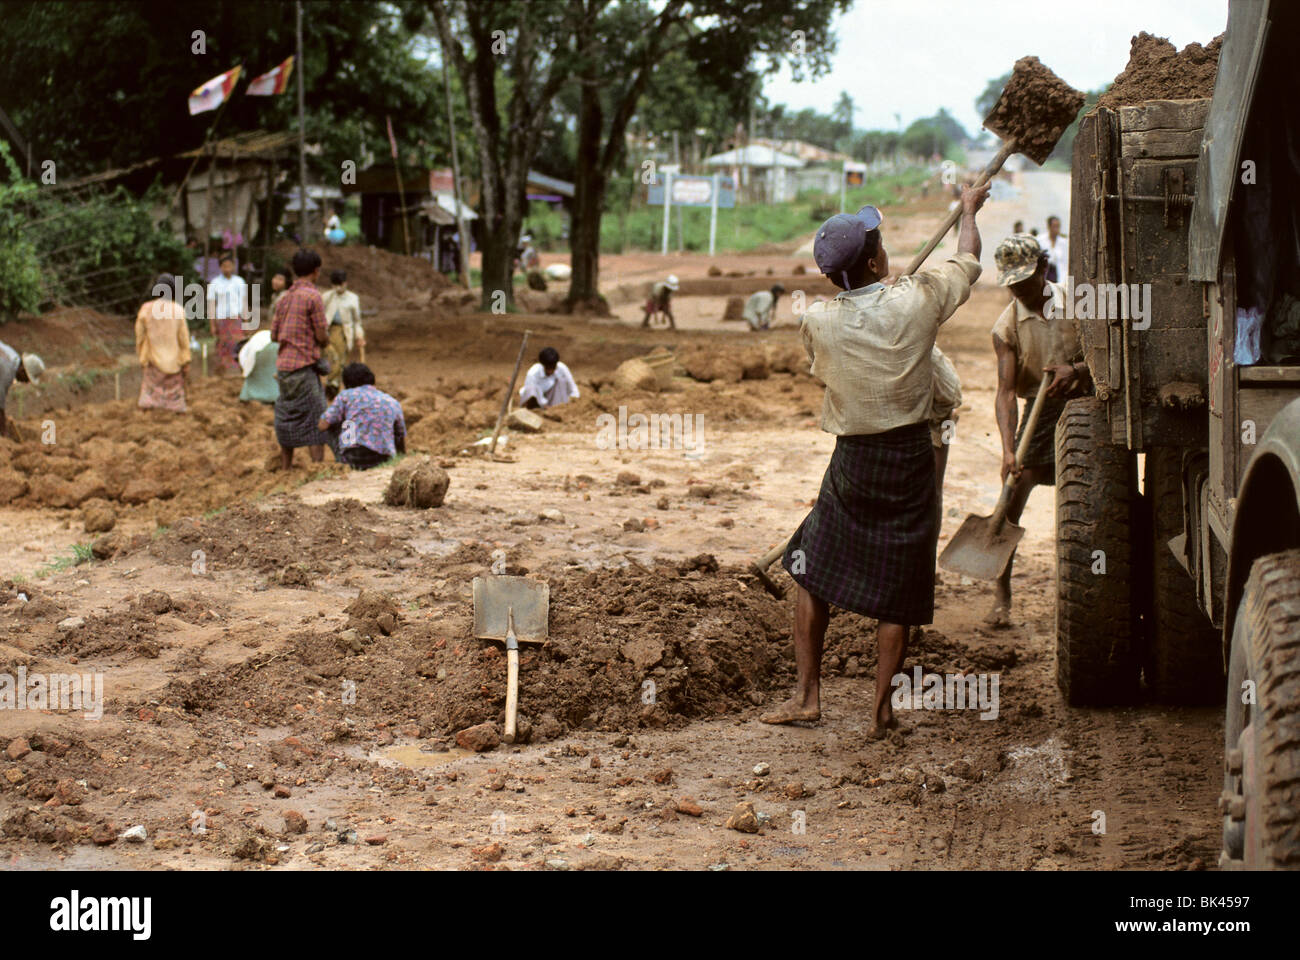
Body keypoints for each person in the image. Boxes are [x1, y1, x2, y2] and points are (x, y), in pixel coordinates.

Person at [761, 186, 989, 738]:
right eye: (879, 244)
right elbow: (970, 260)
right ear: (873, 261)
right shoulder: (919, 299)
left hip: (853, 462)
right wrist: (968, 212)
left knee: (810, 572)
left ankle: (807, 696)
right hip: (910, 459)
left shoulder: (817, 322)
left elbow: (824, 365)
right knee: (900, 590)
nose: (884, 248)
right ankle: (882, 711)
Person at [988, 234, 1091, 626]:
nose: (1019, 290)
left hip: (1087, 404)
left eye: (1025, 281)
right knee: (1010, 500)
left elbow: (1112, 353)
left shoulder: (1080, 301)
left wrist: (1077, 370)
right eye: (1011, 284)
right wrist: (1008, 451)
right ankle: (1002, 594)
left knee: (1093, 496)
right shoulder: (1006, 327)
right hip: (1040, 414)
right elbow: (1006, 393)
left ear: (1043, 270)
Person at [271, 248, 337, 469]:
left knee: (286, 416)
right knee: (316, 416)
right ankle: (317, 467)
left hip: (284, 369)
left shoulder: (284, 299)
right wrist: (325, 342)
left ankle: (285, 467)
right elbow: (321, 334)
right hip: (304, 367)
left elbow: (273, 335)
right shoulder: (313, 296)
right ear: (316, 272)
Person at [318, 362, 406, 470]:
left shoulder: (346, 395)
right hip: (383, 458)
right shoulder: (392, 401)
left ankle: (342, 461)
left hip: (353, 457)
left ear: (347, 383)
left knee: (331, 423)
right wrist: (401, 459)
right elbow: (400, 435)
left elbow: (322, 425)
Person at [135, 274, 192, 413]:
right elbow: (184, 339)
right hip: (174, 362)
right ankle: (174, 408)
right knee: (176, 399)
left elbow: (140, 336)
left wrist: (142, 356)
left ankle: (150, 407)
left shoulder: (146, 309)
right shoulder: (178, 310)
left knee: (149, 393)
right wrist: (186, 360)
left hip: (153, 360)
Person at [321, 269, 364, 398]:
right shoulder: (327, 297)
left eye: (340, 284)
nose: (338, 288)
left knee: (340, 360)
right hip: (327, 331)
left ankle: (333, 385)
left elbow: (357, 321)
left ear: (346, 283)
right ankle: (329, 383)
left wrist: (359, 336)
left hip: (344, 332)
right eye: (335, 285)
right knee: (329, 358)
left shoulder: (353, 299)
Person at [206, 254, 247, 375]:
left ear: (233, 266)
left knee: (238, 345)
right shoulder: (215, 283)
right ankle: (223, 372)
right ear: (220, 267)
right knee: (223, 346)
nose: (227, 268)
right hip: (222, 320)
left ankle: (238, 371)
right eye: (224, 266)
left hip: (236, 319)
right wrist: (212, 324)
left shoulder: (239, 282)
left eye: (229, 265)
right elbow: (212, 305)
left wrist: (245, 322)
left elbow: (243, 303)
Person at [0, 341, 43, 440]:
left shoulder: (13, 356)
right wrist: (3, 430)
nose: (26, 382)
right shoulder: (8, 370)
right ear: (23, 370)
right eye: (27, 378)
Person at [238, 329, 279, 404]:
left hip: (263, 351)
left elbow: (247, 362)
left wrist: (245, 374)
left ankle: (254, 397)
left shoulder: (245, 350)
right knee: (272, 375)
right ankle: (274, 397)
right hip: (276, 347)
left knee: (259, 375)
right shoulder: (260, 336)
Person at [1044, 215, 1068, 284]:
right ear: (1049, 227)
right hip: (1045, 277)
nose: (1057, 229)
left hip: (1060, 278)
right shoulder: (1041, 241)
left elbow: (1065, 263)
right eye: (1054, 226)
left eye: (1058, 226)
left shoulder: (1064, 242)